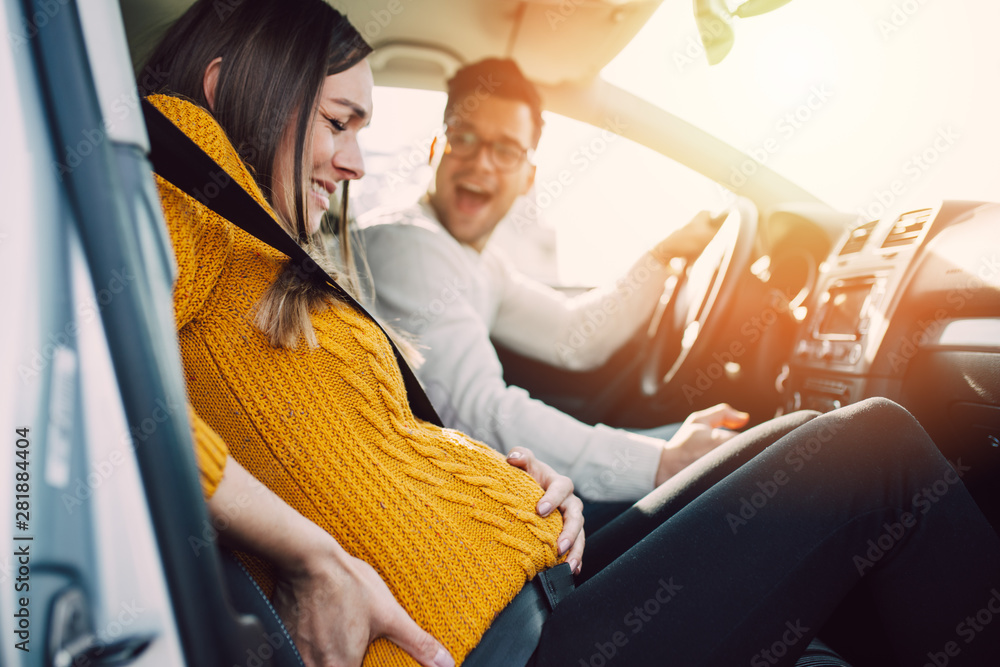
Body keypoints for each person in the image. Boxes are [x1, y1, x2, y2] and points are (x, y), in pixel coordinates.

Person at [140, 1, 1000, 666]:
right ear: (224, 92)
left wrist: (494, 474)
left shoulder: (276, 256)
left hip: (529, 582)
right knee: (875, 448)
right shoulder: (179, 195)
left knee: (802, 436)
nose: (360, 163)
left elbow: (566, 342)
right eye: (338, 123)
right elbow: (116, 400)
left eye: (362, 129)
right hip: (500, 640)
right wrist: (312, 556)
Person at [357, 58, 749, 507]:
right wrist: (658, 463)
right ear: (434, 149)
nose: (481, 162)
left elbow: (573, 337)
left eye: (506, 150)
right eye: (464, 139)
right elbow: (477, 411)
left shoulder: (481, 264)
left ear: (529, 177)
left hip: (438, 485)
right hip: (406, 499)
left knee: (727, 451)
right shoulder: (407, 246)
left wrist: (661, 256)